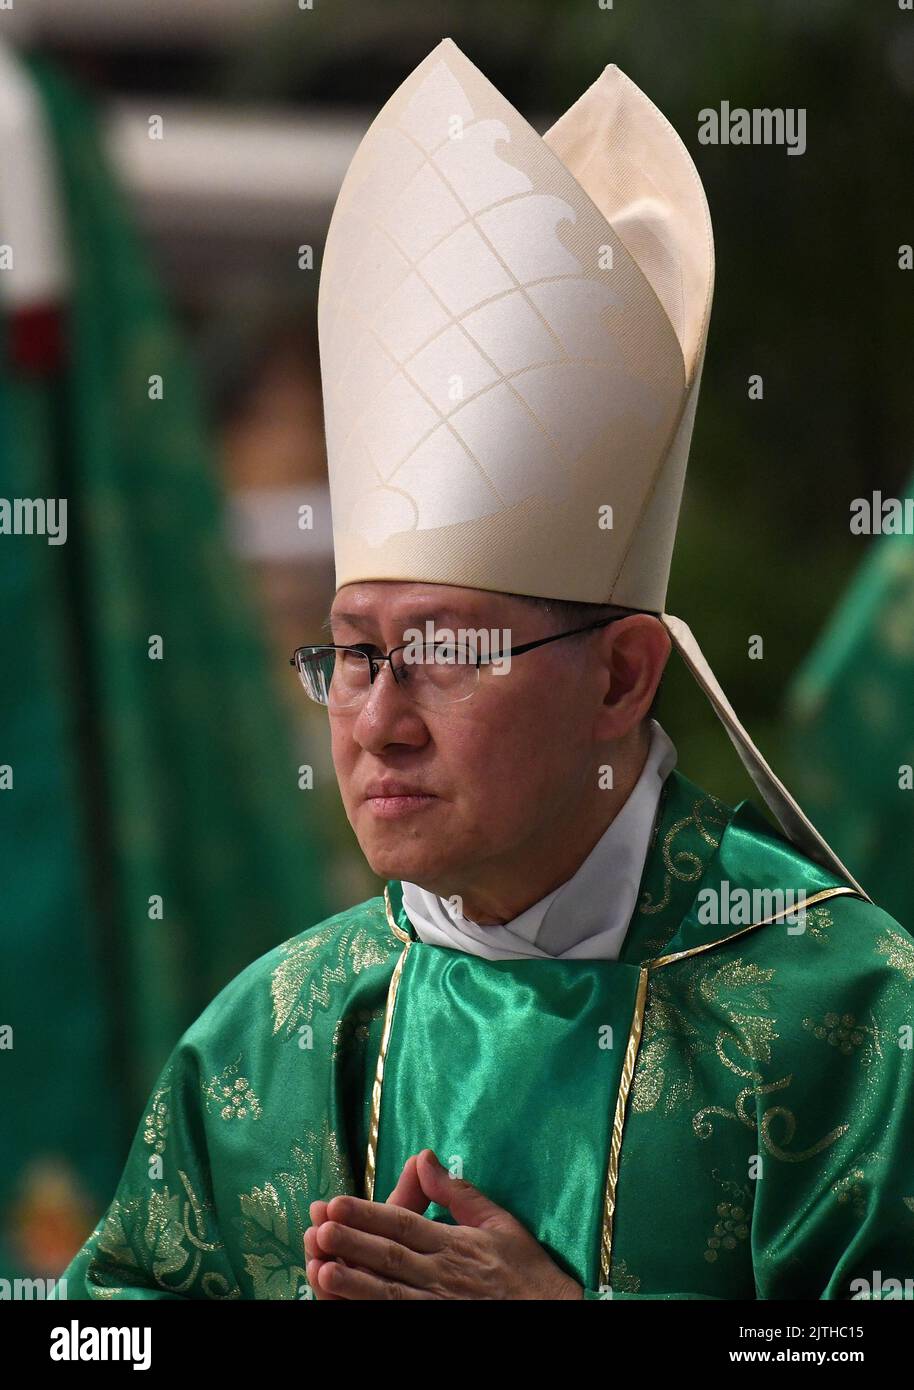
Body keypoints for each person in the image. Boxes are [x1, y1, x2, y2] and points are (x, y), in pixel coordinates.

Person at [56, 38, 913, 1301]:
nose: (378, 723)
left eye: (442, 655)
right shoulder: (283, 1024)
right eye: (351, 657)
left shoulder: (849, 1020)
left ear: (621, 678)